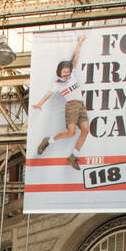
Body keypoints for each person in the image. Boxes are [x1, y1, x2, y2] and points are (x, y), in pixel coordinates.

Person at [33, 32, 89, 169]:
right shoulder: (58, 83)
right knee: (71, 133)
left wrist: (79, 43)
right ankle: (48, 140)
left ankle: (73, 156)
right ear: (60, 71)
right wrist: (40, 103)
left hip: (81, 105)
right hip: (71, 106)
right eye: (63, 70)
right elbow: (49, 94)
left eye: (67, 70)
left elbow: (75, 58)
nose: (66, 72)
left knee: (85, 130)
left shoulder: (72, 76)